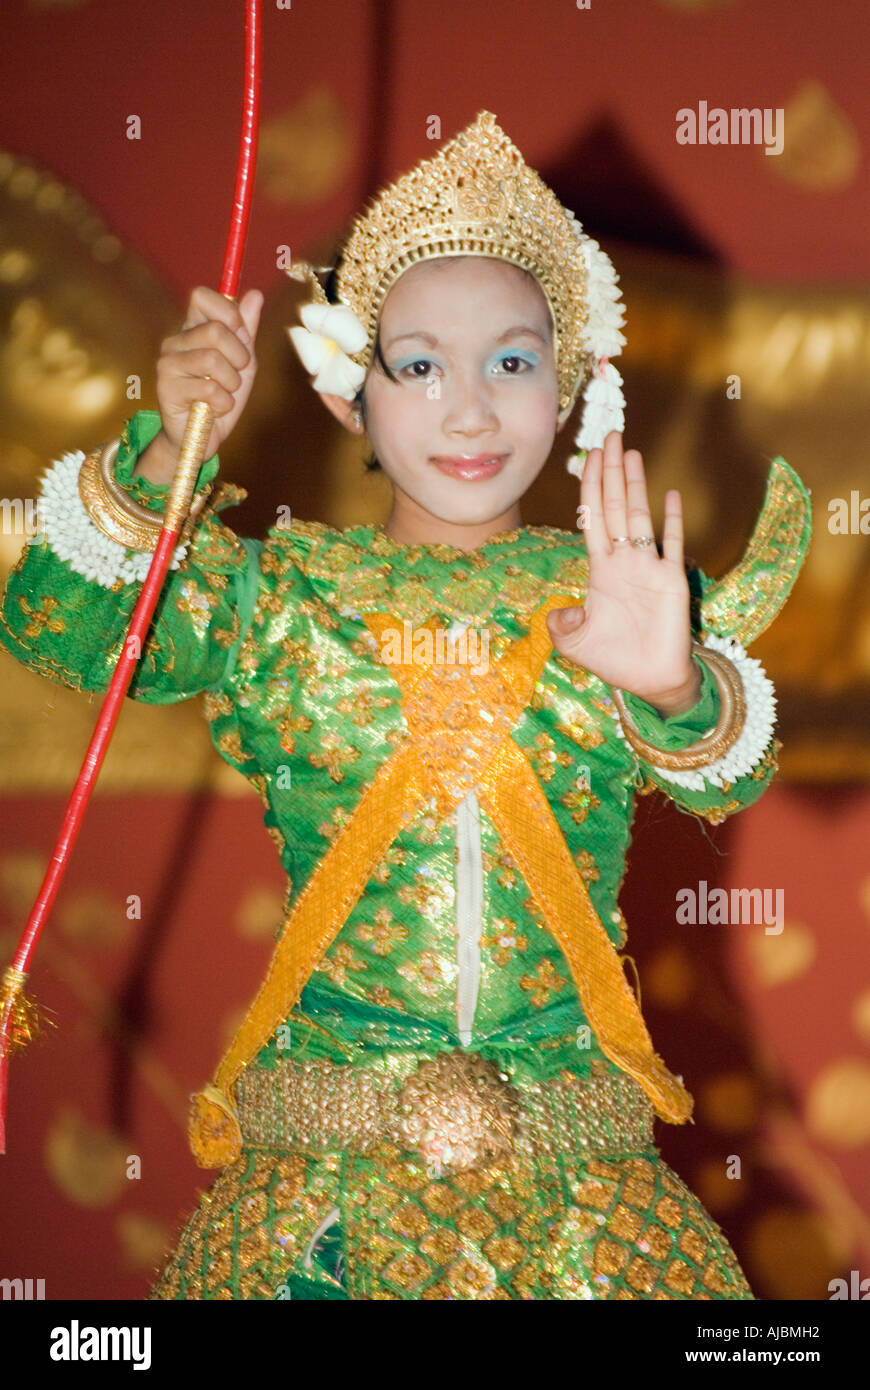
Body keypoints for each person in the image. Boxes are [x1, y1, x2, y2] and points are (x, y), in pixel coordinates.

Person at [0, 111, 811, 1300]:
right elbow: (58, 625)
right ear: (348, 398)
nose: (471, 409)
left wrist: (679, 684)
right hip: (320, 1195)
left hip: (582, 1190)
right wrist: (159, 447)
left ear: (572, 384)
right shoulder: (280, 602)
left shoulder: (611, 594)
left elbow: (728, 769)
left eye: (514, 362)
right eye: (420, 365)